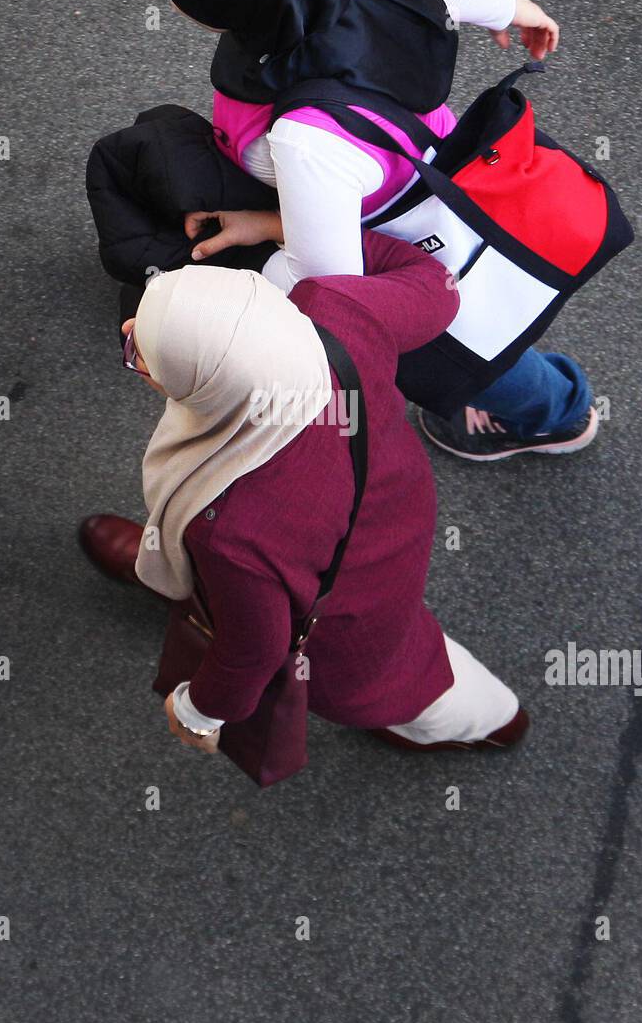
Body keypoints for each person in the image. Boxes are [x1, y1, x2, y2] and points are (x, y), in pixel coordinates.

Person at [144, 0, 597, 462]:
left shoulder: (308, 141)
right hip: (417, 153)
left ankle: (556, 413)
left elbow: (332, 287)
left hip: (398, 227)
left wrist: (258, 246)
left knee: (462, 349)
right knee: (478, 330)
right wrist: (514, 9)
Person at [83, 228, 527, 755]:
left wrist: (196, 712)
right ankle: (188, 577)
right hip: (391, 502)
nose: (130, 332)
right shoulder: (334, 308)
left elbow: (254, 652)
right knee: (243, 590)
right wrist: (283, 223)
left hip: (347, 609)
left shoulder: (233, 532)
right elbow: (438, 285)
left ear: (209, 385)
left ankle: (474, 720)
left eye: (140, 350)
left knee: (382, 673)